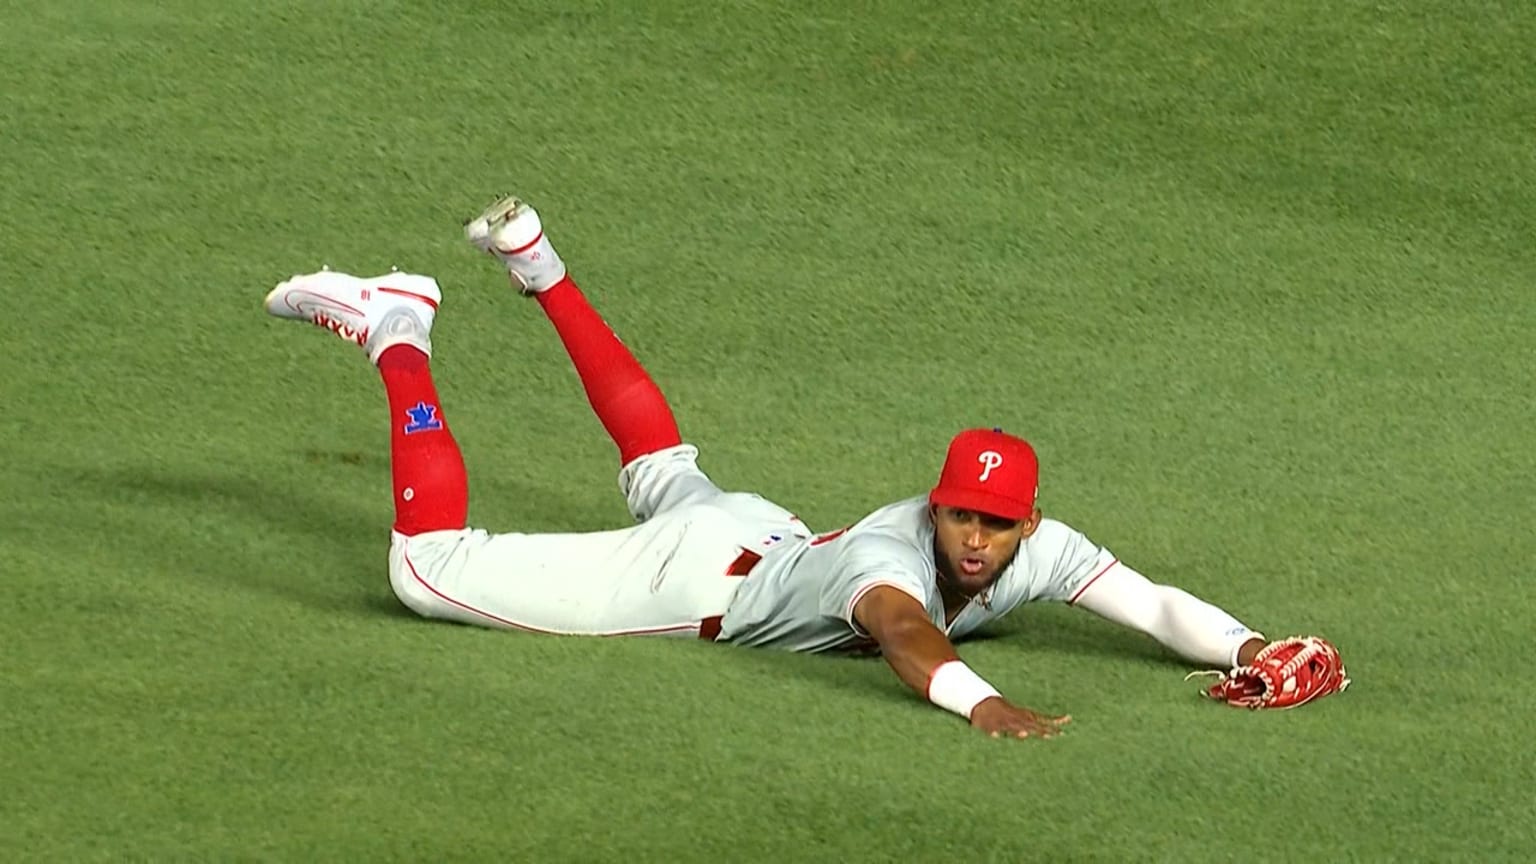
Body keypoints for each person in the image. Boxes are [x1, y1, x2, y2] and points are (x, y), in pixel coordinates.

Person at [262, 194, 1279, 740]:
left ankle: (541, 267)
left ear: (1027, 522)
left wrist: (1249, 649)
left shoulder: (1041, 548)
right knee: (424, 570)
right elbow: (904, 634)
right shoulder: (892, 559)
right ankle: (397, 330)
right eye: (958, 514)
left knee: (661, 458)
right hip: (694, 579)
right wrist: (983, 702)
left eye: (992, 523)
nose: (972, 537)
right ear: (936, 502)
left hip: (758, 534)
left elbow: (1148, 605)